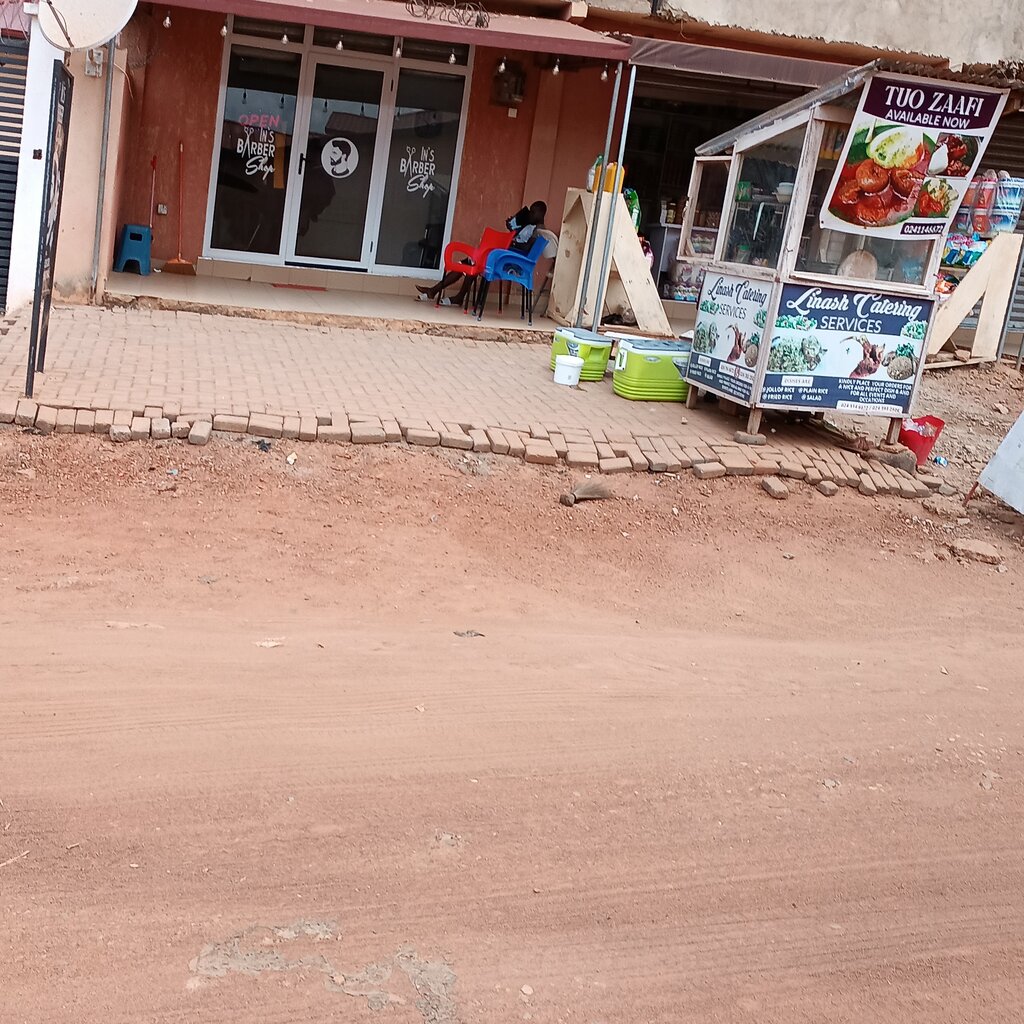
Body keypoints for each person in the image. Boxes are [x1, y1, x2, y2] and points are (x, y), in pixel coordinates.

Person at [416, 201, 548, 306]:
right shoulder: (529, 226)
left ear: (540, 213)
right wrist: (512, 229)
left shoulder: (539, 230)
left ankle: (444, 294)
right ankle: (442, 293)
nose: (530, 214)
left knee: (472, 263)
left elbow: (526, 248)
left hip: (509, 260)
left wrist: (509, 243)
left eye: (533, 212)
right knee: (468, 263)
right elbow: (518, 240)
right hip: (503, 255)